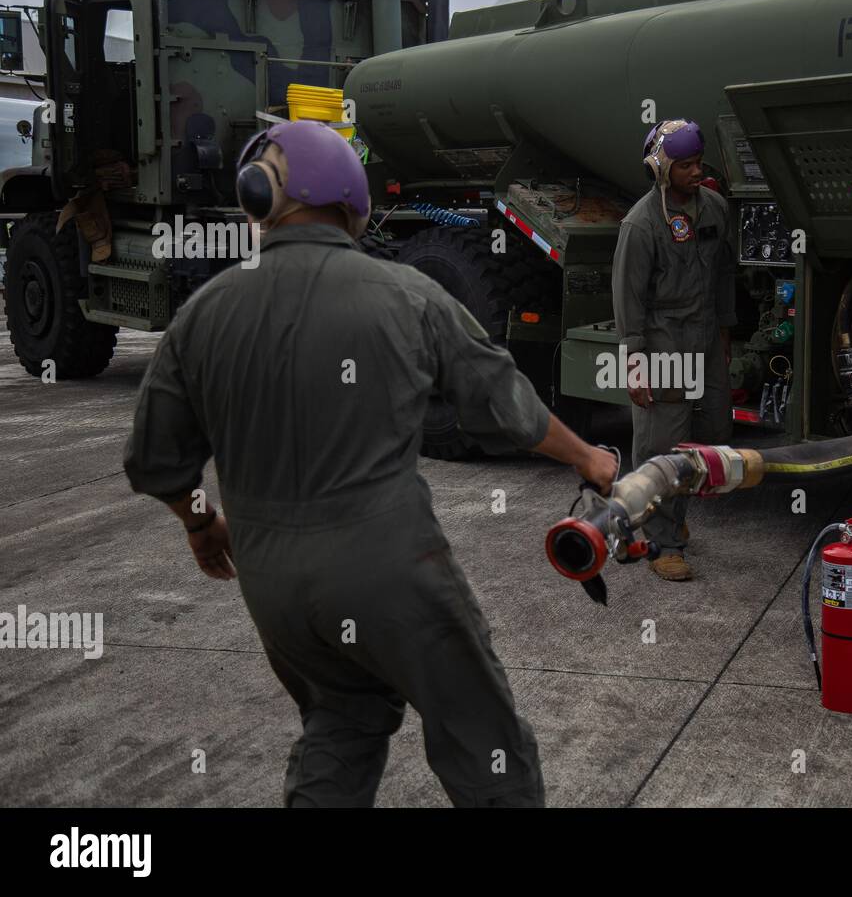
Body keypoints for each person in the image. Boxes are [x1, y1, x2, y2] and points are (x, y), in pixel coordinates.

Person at [123, 120, 617, 807]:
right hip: (389, 570)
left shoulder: (203, 312)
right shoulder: (407, 292)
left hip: (271, 587)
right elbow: (507, 409)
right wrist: (590, 457)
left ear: (260, 199)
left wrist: (201, 522)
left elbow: (153, 461)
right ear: (348, 197)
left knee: (341, 720)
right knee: (484, 740)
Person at [610, 119, 737, 581]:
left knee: (712, 434)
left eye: (698, 162)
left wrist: (725, 332)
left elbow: (724, 274)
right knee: (662, 446)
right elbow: (628, 296)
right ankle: (661, 542)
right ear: (661, 168)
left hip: (704, 340)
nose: (695, 171)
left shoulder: (715, 210)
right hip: (664, 343)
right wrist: (635, 360)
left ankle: (669, 517)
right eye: (684, 165)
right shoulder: (641, 224)